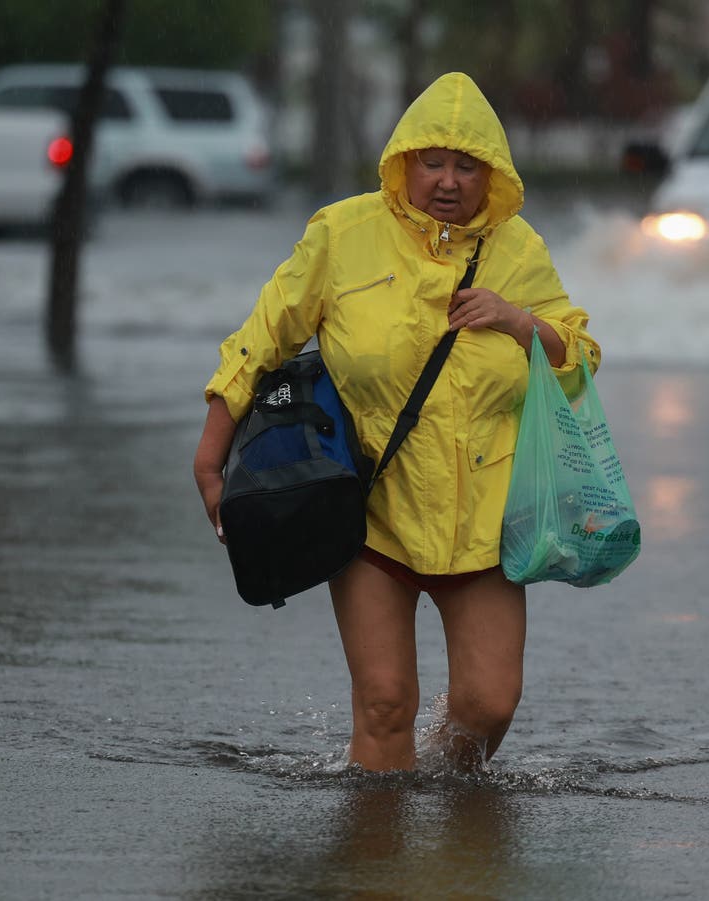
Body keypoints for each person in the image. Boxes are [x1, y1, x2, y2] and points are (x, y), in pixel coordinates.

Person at [192, 72, 599, 773]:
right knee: (385, 704)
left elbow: (580, 360)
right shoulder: (342, 234)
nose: (448, 181)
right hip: (369, 510)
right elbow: (261, 341)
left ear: (492, 174)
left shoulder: (518, 249)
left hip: (483, 522)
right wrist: (209, 458)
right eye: (432, 162)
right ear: (403, 162)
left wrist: (517, 320)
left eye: (467, 165)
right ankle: (377, 834)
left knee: (488, 705)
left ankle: (443, 799)